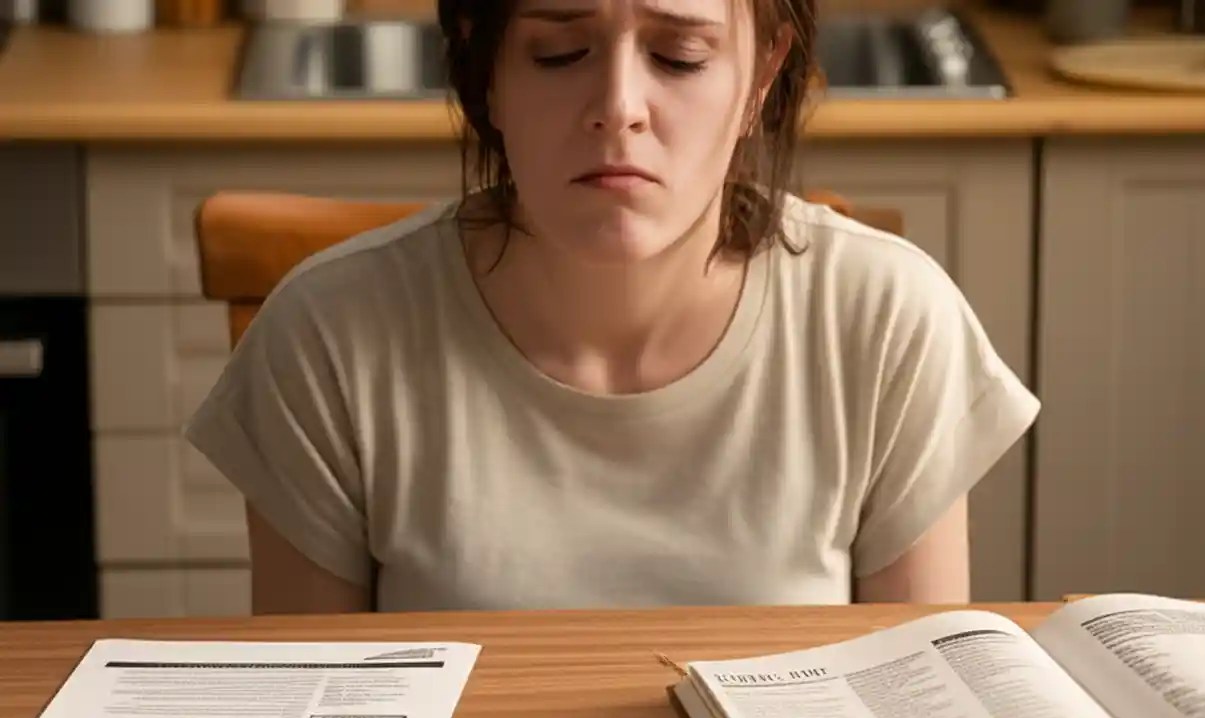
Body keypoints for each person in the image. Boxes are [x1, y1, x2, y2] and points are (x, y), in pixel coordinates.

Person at [184, 0, 1040, 615]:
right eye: (559, 51)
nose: (618, 110)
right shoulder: (327, 337)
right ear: (487, 74)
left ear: (762, 73)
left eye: (680, 57)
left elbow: (917, 691)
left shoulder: (888, 321)